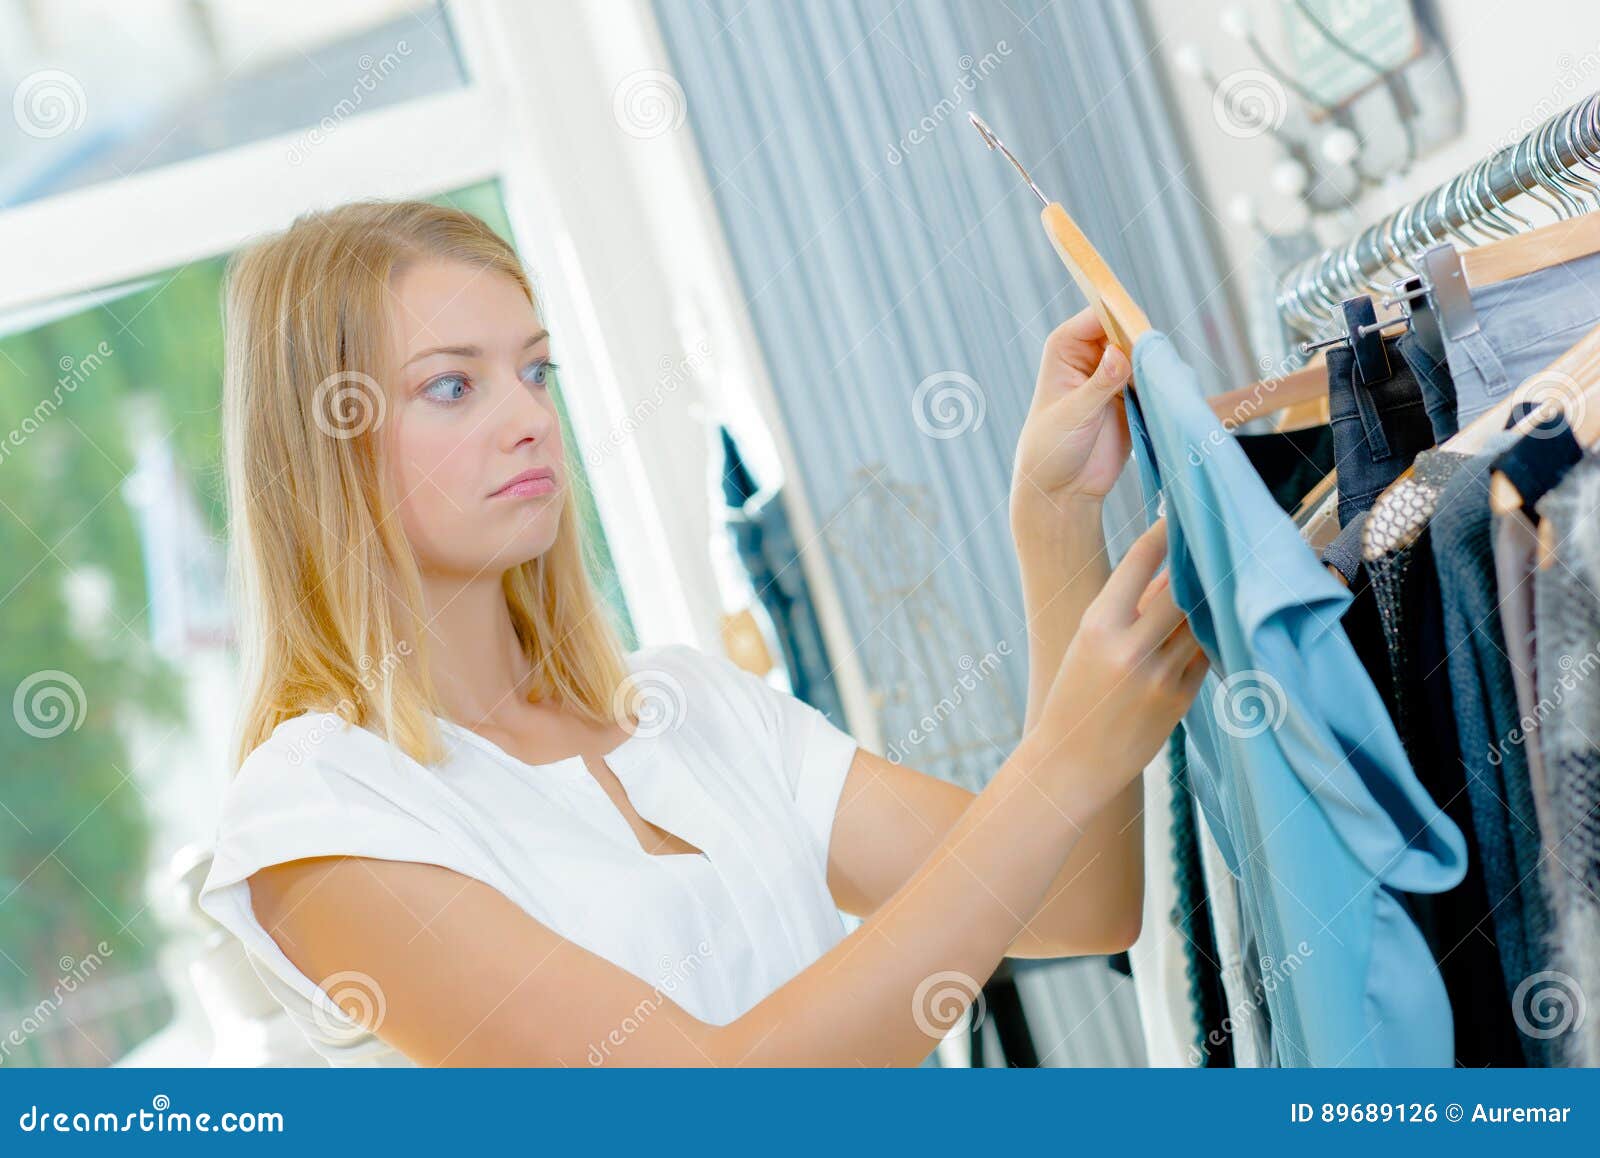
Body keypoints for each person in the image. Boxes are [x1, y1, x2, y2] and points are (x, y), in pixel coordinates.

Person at [196, 199, 1206, 1067]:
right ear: (325, 449)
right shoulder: (318, 813)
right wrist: (1061, 760)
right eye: (453, 385)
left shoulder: (685, 704)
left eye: (535, 372)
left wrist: (1054, 518)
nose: (530, 419)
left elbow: (1081, 899)